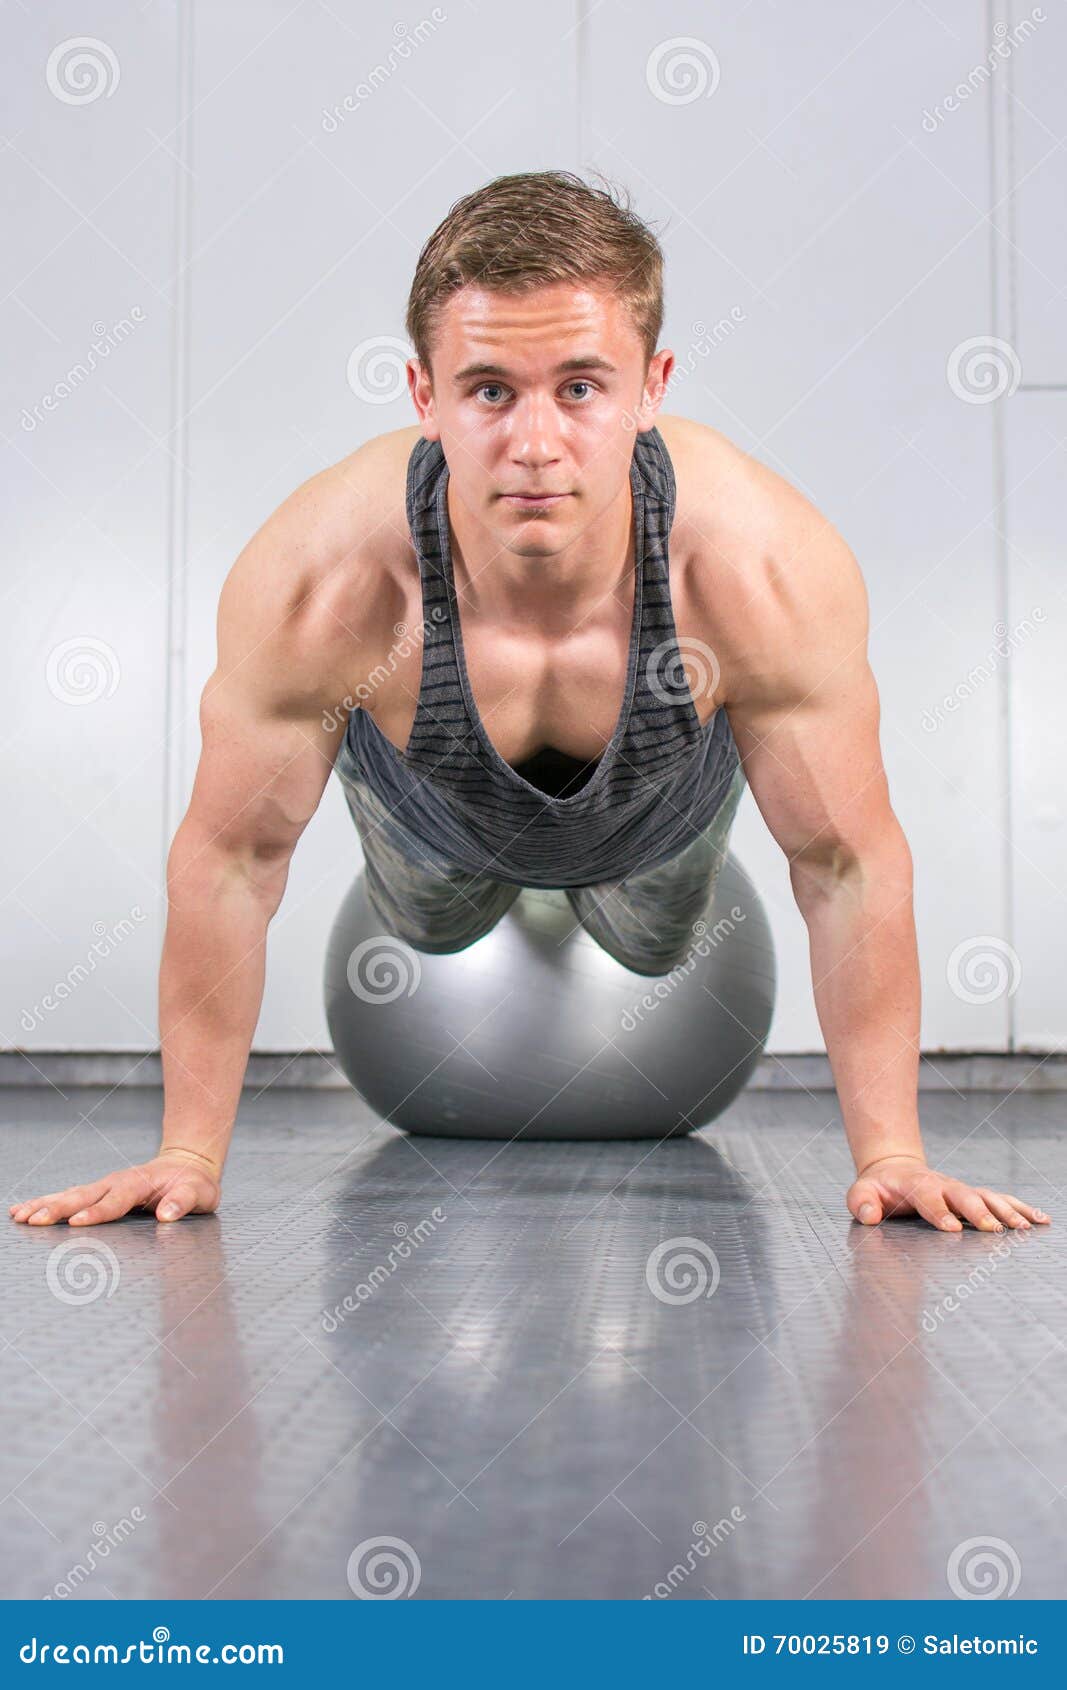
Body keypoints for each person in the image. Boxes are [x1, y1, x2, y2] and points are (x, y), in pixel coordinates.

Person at [10, 171, 1049, 1236]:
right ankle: (446, 885)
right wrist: (186, 1149)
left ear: (653, 387)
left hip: (658, 826)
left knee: (652, 942)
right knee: (428, 911)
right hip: (428, 826)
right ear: (424, 397)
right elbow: (230, 859)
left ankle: (637, 899)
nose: (536, 443)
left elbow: (844, 861)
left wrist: (893, 1154)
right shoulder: (327, 579)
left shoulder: (756, 568)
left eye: (582, 388)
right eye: (490, 390)